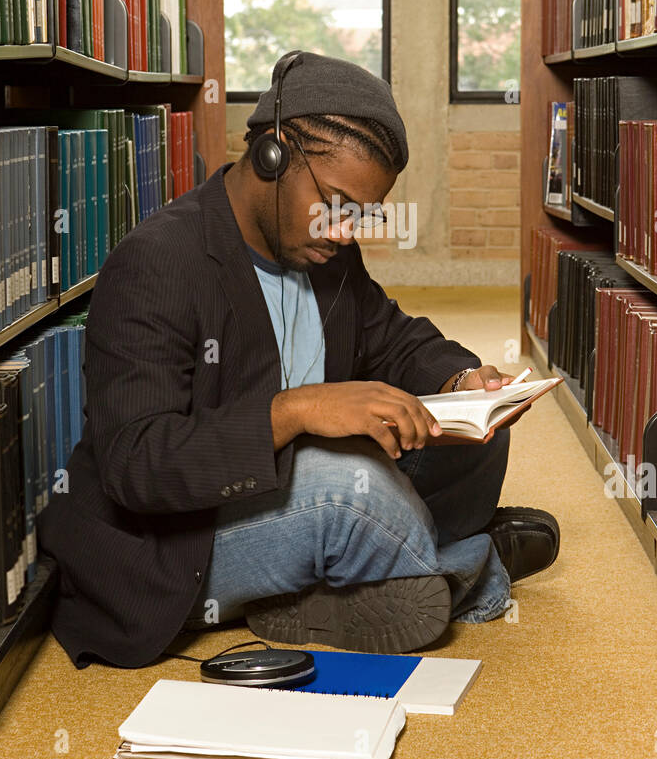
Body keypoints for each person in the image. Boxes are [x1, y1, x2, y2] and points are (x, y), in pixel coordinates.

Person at [38, 52, 559, 668]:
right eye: (336, 204)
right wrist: (299, 410)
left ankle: (351, 581)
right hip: (186, 533)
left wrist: (463, 380)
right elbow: (136, 464)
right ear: (273, 153)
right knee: (348, 492)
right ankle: (469, 564)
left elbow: (390, 336)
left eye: (361, 215)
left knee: (475, 436)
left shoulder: (326, 253)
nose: (344, 231)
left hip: (289, 482)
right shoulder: (157, 262)